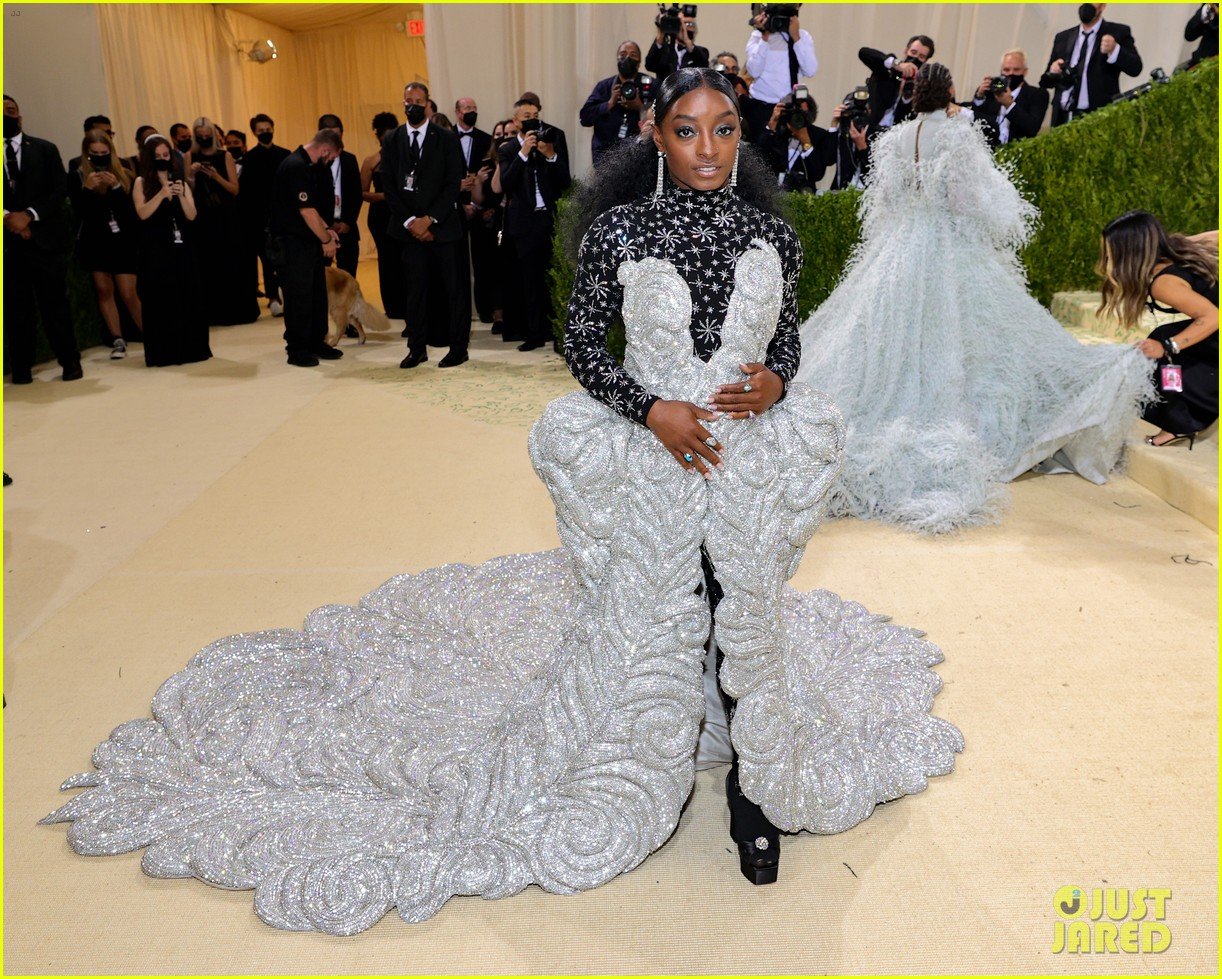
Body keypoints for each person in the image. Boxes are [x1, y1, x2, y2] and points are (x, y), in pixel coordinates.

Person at [40, 68, 963, 934]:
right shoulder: (615, 234)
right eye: (688, 132)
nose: (710, 151)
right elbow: (586, 349)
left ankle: (753, 787)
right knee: (658, 611)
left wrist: (774, 384)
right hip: (654, 453)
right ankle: (650, 756)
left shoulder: (775, 234)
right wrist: (652, 410)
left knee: (743, 604)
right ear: (656, 136)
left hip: (748, 457)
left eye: (724, 131)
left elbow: (788, 346)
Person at [794, 63, 1154, 535]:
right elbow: (965, 202)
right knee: (966, 339)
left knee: (882, 341)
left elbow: (885, 205)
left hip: (898, 252)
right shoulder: (959, 137)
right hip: (948, 250)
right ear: (948, 95)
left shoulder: (896, 138)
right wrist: (996, 215)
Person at [1098, 212, 1218, 447]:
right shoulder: (1179, 246)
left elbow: (1213, 317)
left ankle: (1181, 423)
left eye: (1110, 251)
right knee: (1161, 337)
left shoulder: (1164, 283)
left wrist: (1167, 347)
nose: (1106, 258)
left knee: (1160, 352)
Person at [382, 81, 468, 369]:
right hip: (408, 232)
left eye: (419, 100)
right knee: (415, 292)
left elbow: (452, 184)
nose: (413, 105)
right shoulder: (392, 140)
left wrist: (429, 219)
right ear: (403, 102)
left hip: (442, 228)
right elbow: (390, 187)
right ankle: (416, 348)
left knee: (453, 290)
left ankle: (458, 348)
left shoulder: (446, 138)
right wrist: (411, 222)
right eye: (409, 100)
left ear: (428, 104)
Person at [3, 94, 82, 384]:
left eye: (10, 111)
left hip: (45, 241)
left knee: (55, 307)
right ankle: (22, 368)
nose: (6, 116)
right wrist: (9, 217)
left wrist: (30, 216)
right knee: (16, 309)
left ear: (20, 116)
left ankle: (69, 361)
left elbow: (59, 189)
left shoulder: (45, 148)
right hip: (8, 247)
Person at [498, 98, 572, 351]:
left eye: (536, 113)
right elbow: (506, 184)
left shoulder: (549, 143)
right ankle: (534, 333)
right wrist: (524, 153)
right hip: (523, 225)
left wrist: (550, 155)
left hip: (547, 221)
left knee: (551, 278)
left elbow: (564, 181)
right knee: (529, 281)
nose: (533, 117)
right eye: (527, 114)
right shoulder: (508, 150)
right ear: (516, 120)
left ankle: (557, 333)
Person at [268, 129, 345, 368]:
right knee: (299, 297)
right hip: (292, 244)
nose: (330, 161)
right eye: (331, 157)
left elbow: (313, 209)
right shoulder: (295, 166)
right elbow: (306, 211)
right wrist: (326, 240)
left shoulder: (308, 166)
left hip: (307, 243)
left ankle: (315, 341)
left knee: (316, 295)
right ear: (325, 150)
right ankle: (297, 349)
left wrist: (327, 231)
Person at [131, 135, 210, 367]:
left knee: (187, 296)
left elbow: (192, 215)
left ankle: (191, 348)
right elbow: (142, 213)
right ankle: (165, 352)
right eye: (157, 157)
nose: (163, 160)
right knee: (161, 300)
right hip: (156, 250)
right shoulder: (140, 183)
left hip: (182, 248)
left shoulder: (181, 182)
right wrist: (161, 195)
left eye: (166, 155)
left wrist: (180, 195)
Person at [67, 128, 143, 359]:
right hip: (95, 241)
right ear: (86, 153)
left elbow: (130, 214)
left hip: (121, 241)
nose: (99, 157)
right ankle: (117, 339)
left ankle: (150, 333)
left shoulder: (125, 173)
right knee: (104, 290)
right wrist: (88, 190)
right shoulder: (77, 176)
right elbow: (80, 213)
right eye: (94, 153)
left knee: (129, 292)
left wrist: (117, 189)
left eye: (103, 152)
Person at [185, 117, 259, 325]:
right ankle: (211, 312)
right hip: (202, 219)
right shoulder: (189, 156)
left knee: (232, 263)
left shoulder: (225, 156)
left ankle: (237, 311)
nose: (204, 138)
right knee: (208, 265)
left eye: (207, 135)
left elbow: (235, 189)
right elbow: (186, 190)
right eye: (200, 135)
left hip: (226, 217)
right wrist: (191, 175)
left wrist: (216, 176)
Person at [1040, 3, 1142, 127]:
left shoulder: (1117, 32)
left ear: (1102, 6)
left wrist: (1115, 50)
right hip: (1063, 117)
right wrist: (1053, 71)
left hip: (1099, 117)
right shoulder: (1063, 37)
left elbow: (1136, 68)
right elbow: (1045, 82)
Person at [238, 113, 290, 316]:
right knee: (268, 259)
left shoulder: (285, 155)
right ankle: (273, 297)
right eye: (261, 131)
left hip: (283, 216)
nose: (265, 133)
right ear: (254, 133)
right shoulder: (248, 159)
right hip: (259, 218)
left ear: (273, 129)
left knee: (286, 258)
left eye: (268, 129)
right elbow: (246, 194)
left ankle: (288, 294)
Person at [742, 8, 817, 143]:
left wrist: (796, 38)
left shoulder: (803, 36)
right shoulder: (757, 36)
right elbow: (753, 71)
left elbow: (810, 70)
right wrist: (764, 38)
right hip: (761, 107)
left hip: (790, 107)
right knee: (761, 155)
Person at [360, 111, 406, 320]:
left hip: (402, 212)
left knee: (405, 258)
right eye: (384, 136)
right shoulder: (371, 161)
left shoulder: (405, 156)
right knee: (387, 261)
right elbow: (361, 193)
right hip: (380, 215)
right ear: (377, 136)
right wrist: (384, 196)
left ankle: (408, 303)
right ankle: (393, 306)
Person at [454, 97, 495, 324]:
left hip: (479, 207)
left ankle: (485, 309)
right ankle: (459, 311)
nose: (472, 112)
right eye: (468, 108)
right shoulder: (445, 137)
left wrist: (477, 203)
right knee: (456, 261)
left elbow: (488, 171)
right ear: (458, 112)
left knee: (482, 261)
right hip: (453, 207)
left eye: (475, 109)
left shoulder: (485, 139)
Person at [581, 41, 655, 164]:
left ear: (639, 61)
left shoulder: (651, 84)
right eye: (623, 54)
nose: (627, 58)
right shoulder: (604, 87)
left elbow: (662, 119)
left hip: (640, 157)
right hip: (605, 158)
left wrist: (640, 107)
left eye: (633, 55)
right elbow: (584, 118)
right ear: (617, 59)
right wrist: (609, 104)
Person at [757, 89, 835, 192]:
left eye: (802, 112)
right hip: (773, 192)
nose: (797, 116)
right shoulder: (777, 132)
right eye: (794, 111)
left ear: (810, 113)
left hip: (803, 194)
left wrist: (806, 142)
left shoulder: (819, 135)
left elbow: (817, 174)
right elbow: (759, 154)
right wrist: (773, 121)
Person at [970, 49, 1050, 148]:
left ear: (1025, 72)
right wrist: (979, 96)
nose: (1010, 74)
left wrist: (1009, 104)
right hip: (988, 150)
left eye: (1016, 70)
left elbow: (1032, 128)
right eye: (1006, 70)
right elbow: (975, 120)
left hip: (1017, 152)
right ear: (1001, 71)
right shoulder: (991, 92)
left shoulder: (1038, 94)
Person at [316, 114, 363, 277]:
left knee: (348, 277)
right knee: (321, 278)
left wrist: (348, 222)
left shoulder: (349, 159)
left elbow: (356, 194)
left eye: (337, 135)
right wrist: (326, 226)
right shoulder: (312, 162)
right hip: (321, 230)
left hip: (346, 228)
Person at [858, 35, 934, 133]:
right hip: (870, 130)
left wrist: (909, 96)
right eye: (913, 52)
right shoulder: (889, 68)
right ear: (906, 51)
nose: (915, 58)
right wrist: (896, 64)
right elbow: (863, 52)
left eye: (921, 57)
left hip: (896, 136)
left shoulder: (922, 83)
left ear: (926, 61)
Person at [645, 8, 709, 83]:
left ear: (695, 30)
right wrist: (661, 34)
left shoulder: (701, 51)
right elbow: (650, 65)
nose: (684, 27)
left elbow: (704, 66)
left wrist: (687, 41)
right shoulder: (664, 51)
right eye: (681, 23)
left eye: (689, 24)